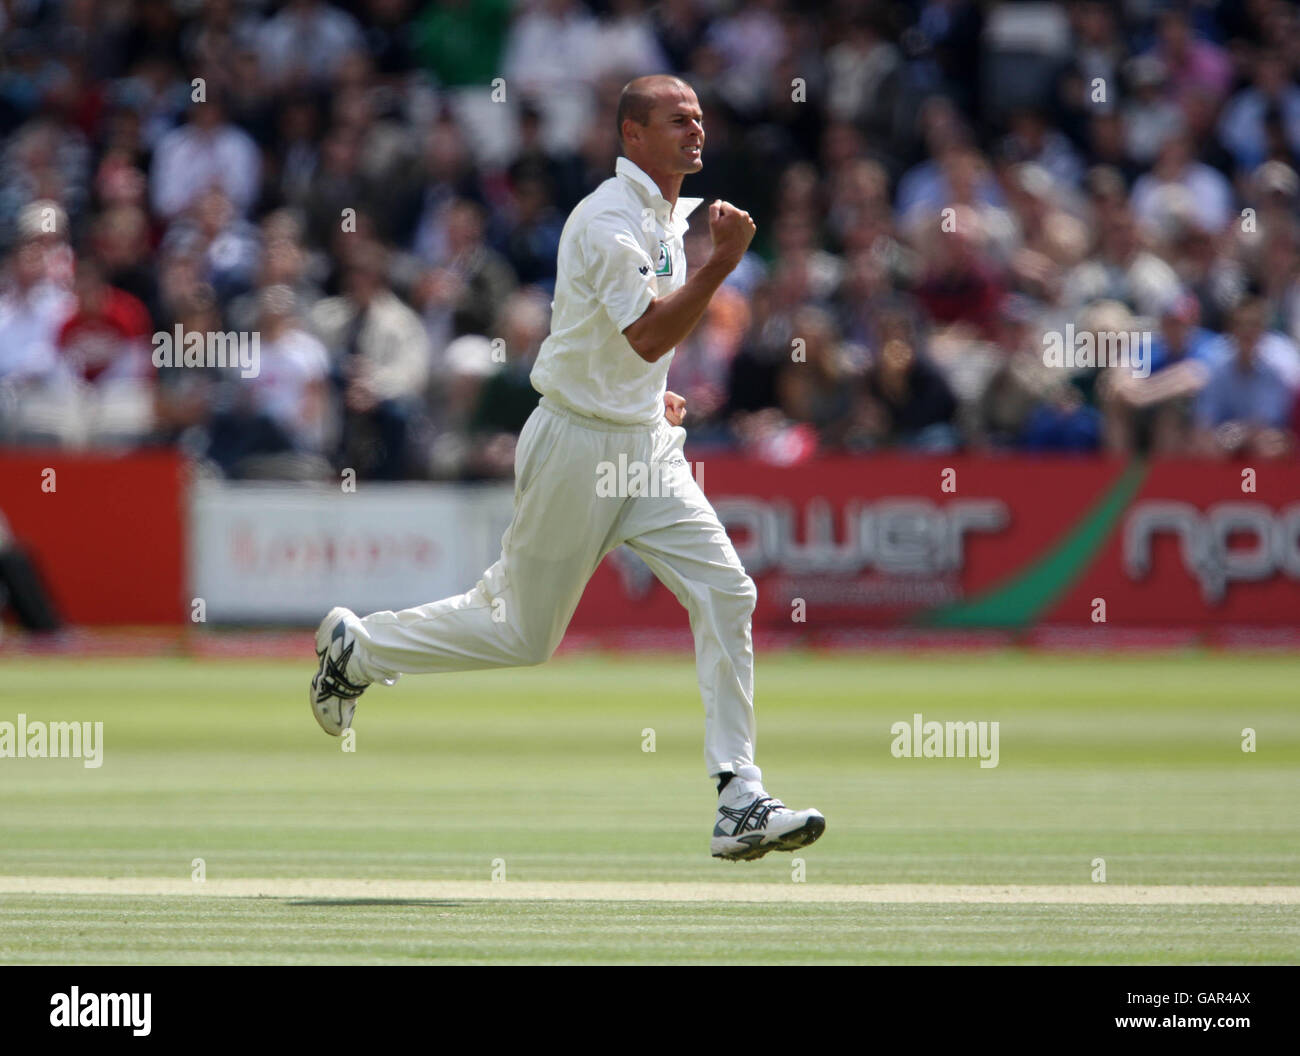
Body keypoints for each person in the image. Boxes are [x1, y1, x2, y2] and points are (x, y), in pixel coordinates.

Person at [308, 74, 825, 862]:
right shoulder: (607, 220)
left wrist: (655, 397)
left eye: (698, 119)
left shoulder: (661, 215)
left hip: (643, 444)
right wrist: (720, 267)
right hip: (576, 445)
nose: (695, 131)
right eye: (675, 121)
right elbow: (645, 336)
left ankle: (739, 796)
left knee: (728, 590)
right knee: (522, 634)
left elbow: (636, 353)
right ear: (631, 137)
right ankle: (360, 650)